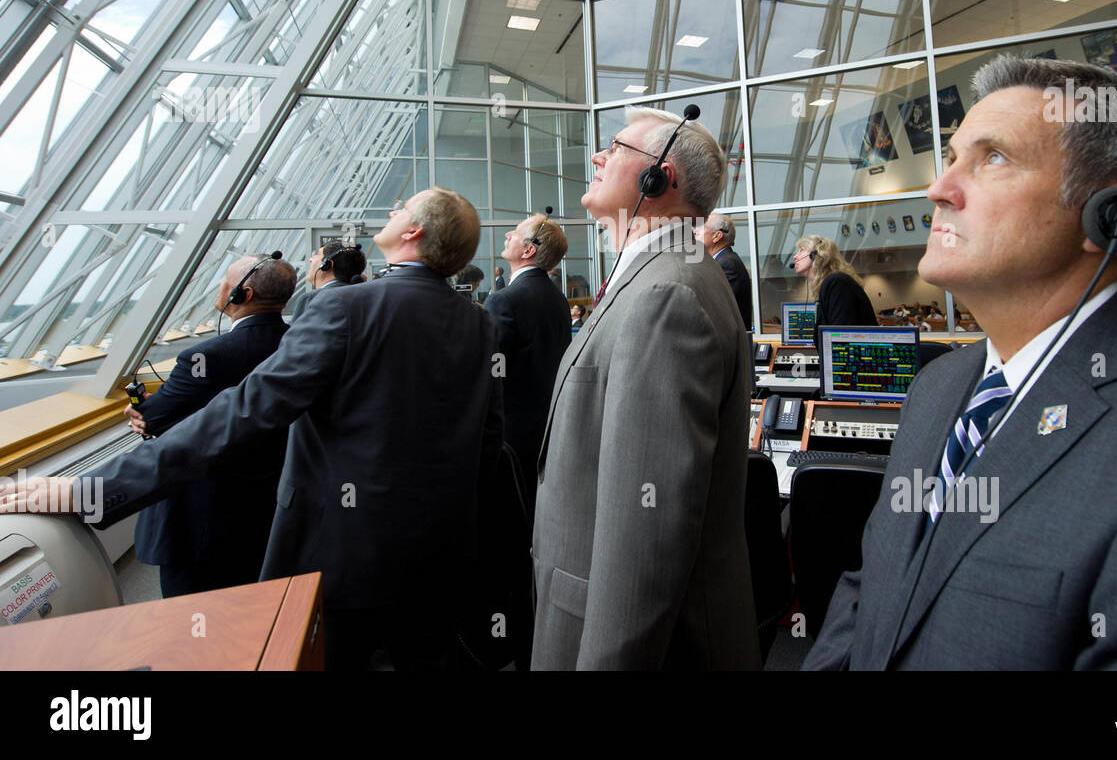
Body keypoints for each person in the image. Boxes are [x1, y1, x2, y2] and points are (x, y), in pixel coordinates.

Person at [804, 56, 1117, 670]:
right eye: (953, 157)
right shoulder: (939, 387)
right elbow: (871, 585)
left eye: (993, 159)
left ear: (1112, 216)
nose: (939, 188)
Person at [6, 188, 503, 671]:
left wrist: (91, 491)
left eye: (402, 209)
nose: (392, 211)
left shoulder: (345, 308)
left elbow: (240, 413)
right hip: (442, 549)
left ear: (412, 232)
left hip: (343, 555)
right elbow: (487, 440)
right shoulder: (479, 324)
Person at [531, 106, 760, 670]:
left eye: (615, 148)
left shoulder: (668, 293)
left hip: (613, 637)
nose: (597, 157)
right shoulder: (655, 275)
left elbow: (645, 532)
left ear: (661, 178)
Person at [124, 253, 295, 597]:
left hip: (204, 516)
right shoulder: (299, 345)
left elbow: (154, 419)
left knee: (194, 612)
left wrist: (143, 412)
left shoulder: (204, 357)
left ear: (241, 295)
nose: (219, 286)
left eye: (225, 281)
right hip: (275, 503)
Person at [483, 213, 572, 497]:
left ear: (528, 250)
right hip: (549, 426)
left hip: (511, 432)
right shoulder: (557, 298)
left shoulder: (504, 300)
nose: (507, 235)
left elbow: (489, 371)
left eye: (514, 233)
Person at [791, 234, 877, 329]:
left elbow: (840, 335)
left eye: (801, 250)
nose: (795, 256)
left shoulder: (837, 283)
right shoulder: (828, 284)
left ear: (815, 255)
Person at [694, 212, 753, 330]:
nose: (695, 231)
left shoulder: (728, 264)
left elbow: (713, 308)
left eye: (701, 226)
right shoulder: (723, 261)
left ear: (717, 236)